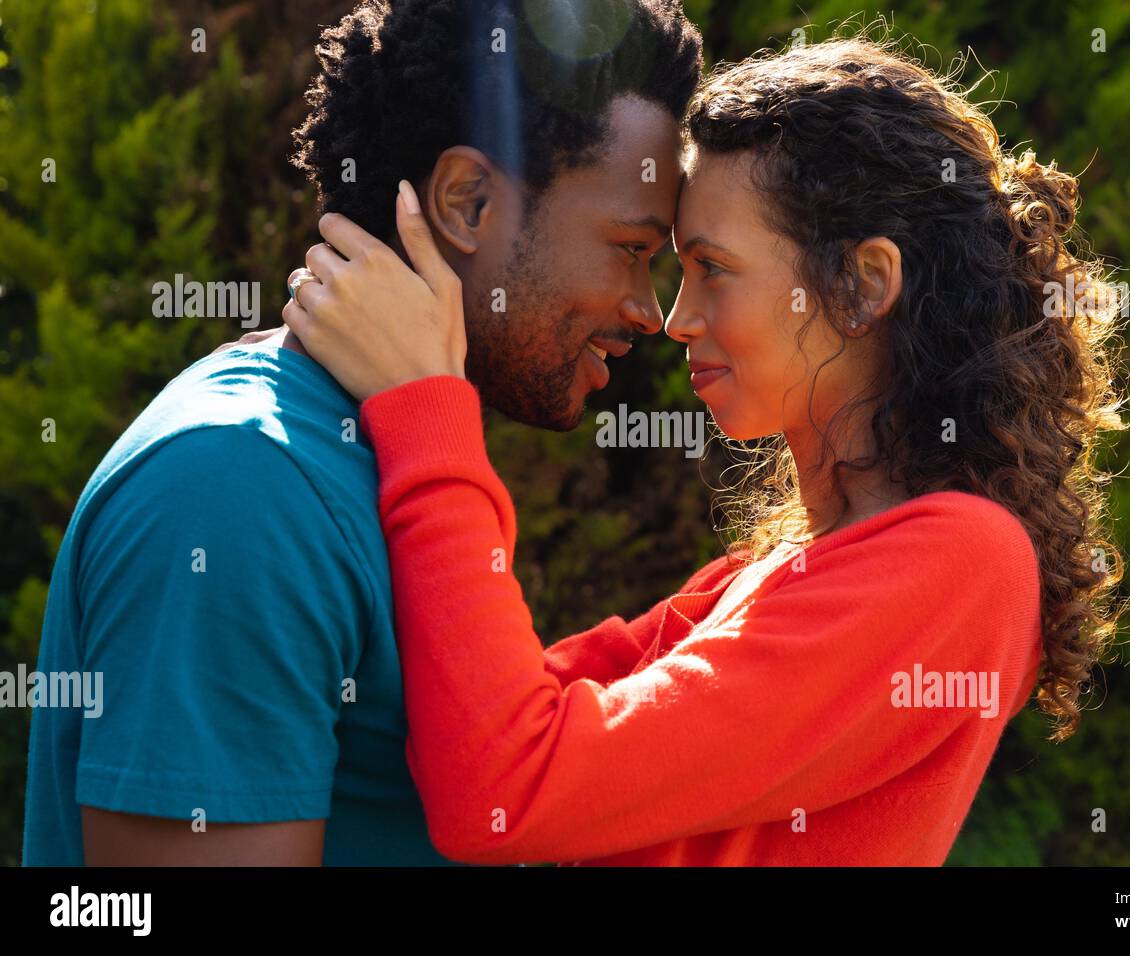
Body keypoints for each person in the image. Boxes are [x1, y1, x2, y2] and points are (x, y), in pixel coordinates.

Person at [282, 34, 1129, 865]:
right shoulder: (765, 574)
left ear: (864, 284)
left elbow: (505, 793)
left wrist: (427, 408)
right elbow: (470, 719)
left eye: (712, 268)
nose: (676, 319)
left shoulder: (963, 564)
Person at [22, 0, 702, 866]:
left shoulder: (395, 451)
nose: (650, 311)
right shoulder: (239, 485)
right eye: (632, 250)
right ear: (469, 201)